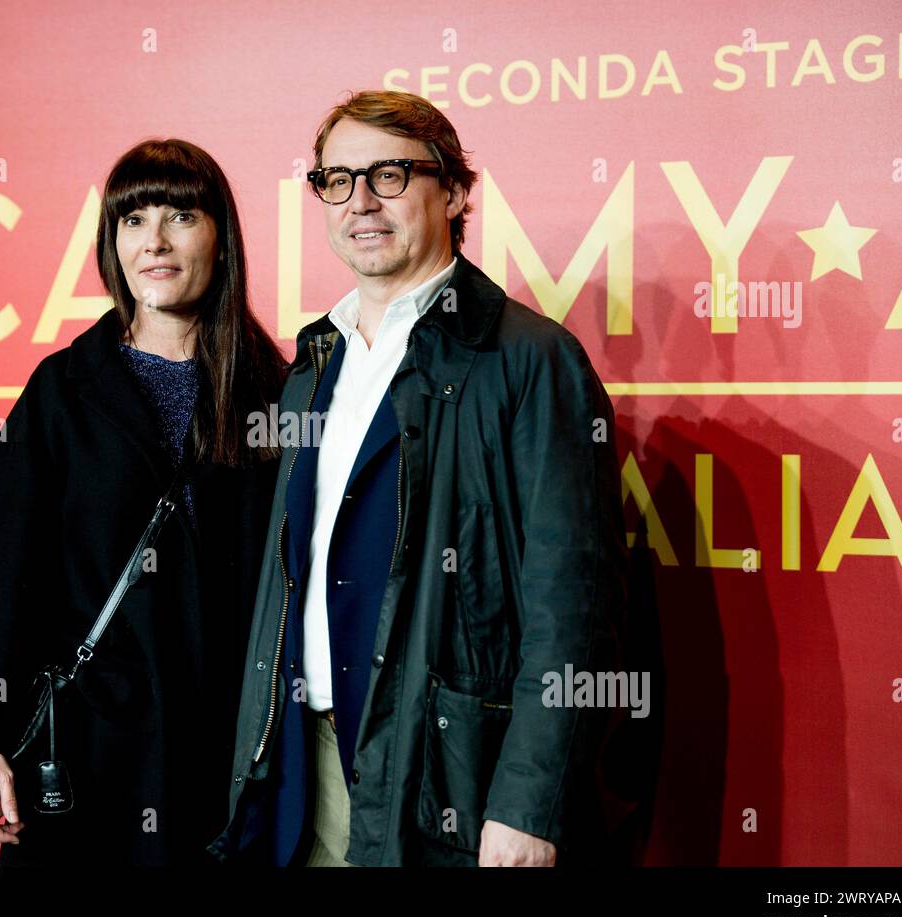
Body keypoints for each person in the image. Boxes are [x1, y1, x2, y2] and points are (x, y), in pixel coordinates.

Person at [207, 90, 629, 867]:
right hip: (314, 768)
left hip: (456, 784)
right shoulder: (312, 367)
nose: (359, 202)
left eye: (390, 176)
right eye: (336, 180)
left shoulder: (529, 360)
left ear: (457, 192)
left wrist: (528, 803)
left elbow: (573, 601)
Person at [0, 139, 288, 865]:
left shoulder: (277, 392)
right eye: (132, 220)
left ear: (221, 237)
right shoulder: (63, 390)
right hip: (90, 751)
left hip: (231, 750)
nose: (156, 242)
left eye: (181, 216)